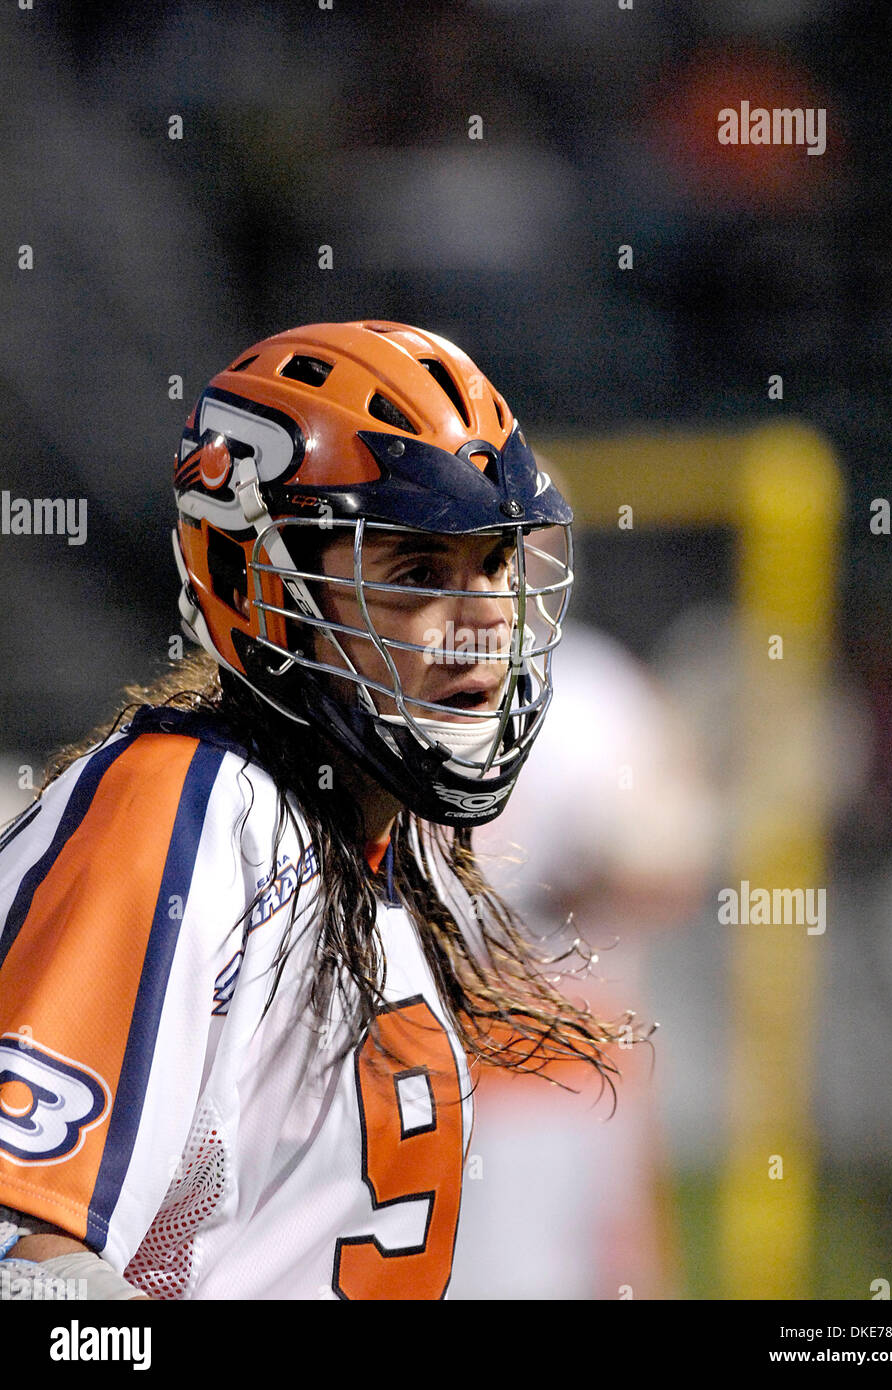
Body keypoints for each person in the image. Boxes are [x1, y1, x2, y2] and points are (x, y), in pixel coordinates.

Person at [0, 319, 628, 1300]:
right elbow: (27, 1270)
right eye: (420, 573)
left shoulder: (377, 851)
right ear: (260, 583)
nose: (485, 621)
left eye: (497, 563)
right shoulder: (186, 817)